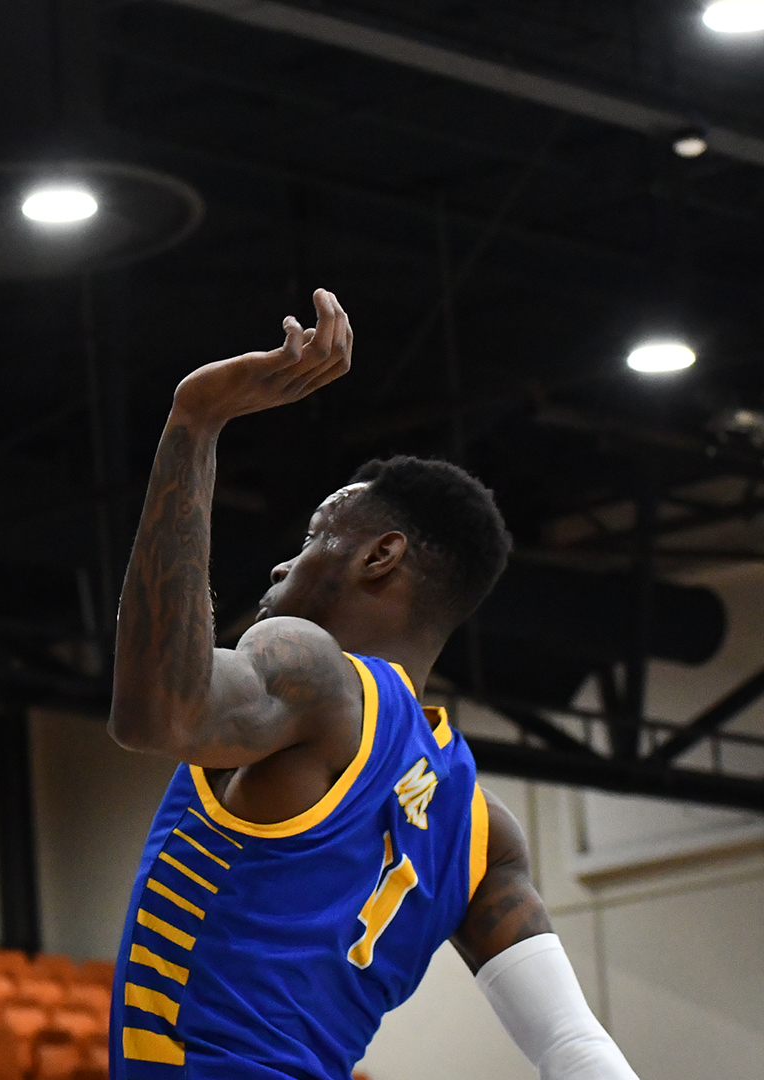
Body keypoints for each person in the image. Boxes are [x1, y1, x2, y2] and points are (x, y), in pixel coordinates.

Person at [105, 293, 639, 1079]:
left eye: (315, 537)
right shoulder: (482, 831)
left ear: (379, 558)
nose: (286, 563)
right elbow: (572, 1047)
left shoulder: (310, 668)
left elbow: (156, 711)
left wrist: (194, 425)